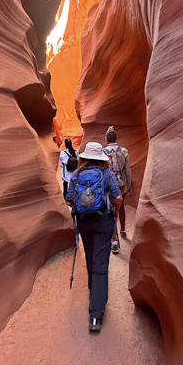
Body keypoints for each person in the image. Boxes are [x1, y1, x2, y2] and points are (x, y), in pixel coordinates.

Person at [65, 142, 122, 332]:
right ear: (101, 158)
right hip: (103, 222)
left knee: (90, 257)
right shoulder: (106, 173)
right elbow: (118, 196)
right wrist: (114, 209)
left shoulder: (77, 174)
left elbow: (69, 198)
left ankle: (93, 291)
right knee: (101, 264)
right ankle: (96, 315)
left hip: (84, 222)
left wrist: (83, 206)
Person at [103, 126, 132, 253]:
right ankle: (123, 230)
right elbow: (127, 170)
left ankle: (114, 242)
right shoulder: (124, 151)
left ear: (106, 139)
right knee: (122, 207)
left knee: (111, 211)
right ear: (116, 138)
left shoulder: (103, 152)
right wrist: (128, 184)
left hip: (109, 185)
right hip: (121, 184)